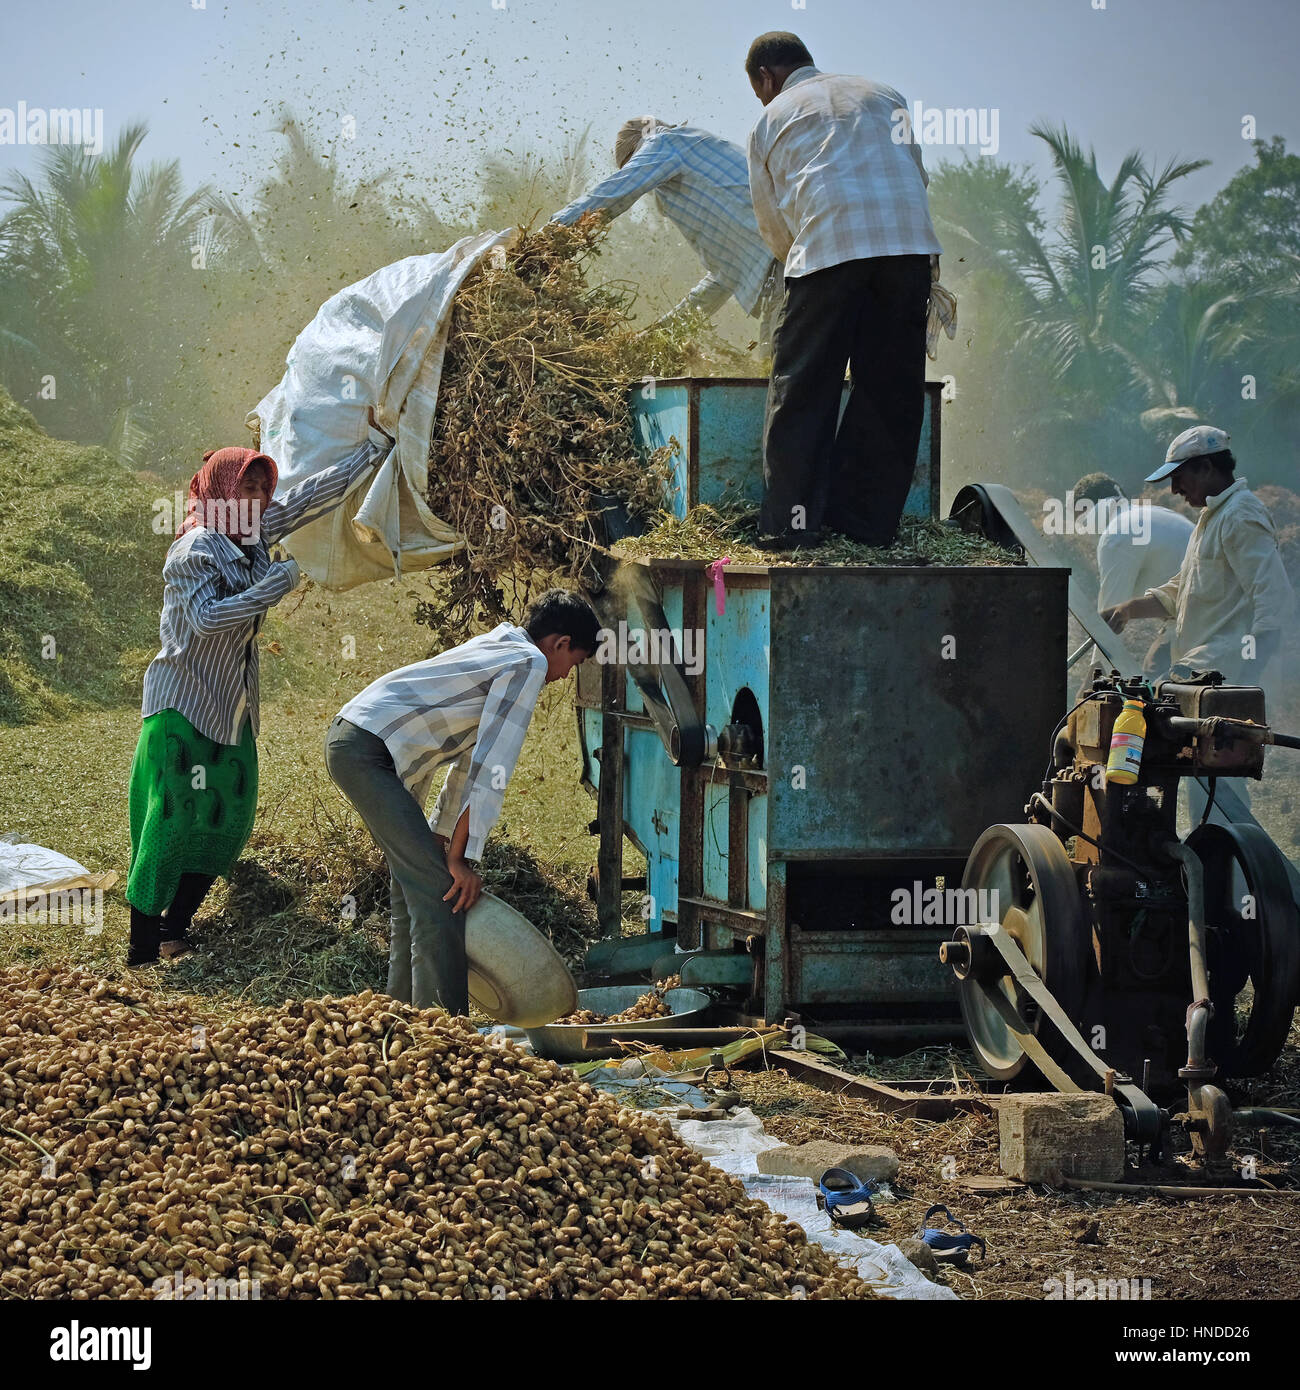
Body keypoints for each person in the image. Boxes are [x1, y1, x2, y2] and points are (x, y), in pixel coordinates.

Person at [127, 432, 387, 966]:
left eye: (263, 488)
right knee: (173, 820)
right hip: (182, 706)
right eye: (248, 487)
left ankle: (177, 928)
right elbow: (205, 620)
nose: (260, 498)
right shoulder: (195, 548)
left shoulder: (252, 529)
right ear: (223, 490)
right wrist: (278, 583)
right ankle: (143, 944)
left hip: (232, 705)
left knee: (229, 816)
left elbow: (314, 495)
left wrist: (376, 449)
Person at [325, 590, 599, 1014]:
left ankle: (400, 1019)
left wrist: (442, 835)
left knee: (413, 887)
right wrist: (461, 860)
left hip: (357, 741)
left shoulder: (504, 646)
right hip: (367, 751)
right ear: (560, 644)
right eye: (575, 663)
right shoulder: (529, 663)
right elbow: (494, 768)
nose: (565, 676)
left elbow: (471, 762)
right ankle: (446, 1033)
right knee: (443, 892)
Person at [744, 31, 942, 547]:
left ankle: (791, 529)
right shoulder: (884, 94)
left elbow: (772, 223)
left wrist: (802, 272)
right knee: (890, 388)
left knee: (803, 387)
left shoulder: (771, 117)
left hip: (828, 247)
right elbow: (916, 174)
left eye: (759, 89)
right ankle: (865, 526)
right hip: (909, 248)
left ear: (767, 78)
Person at [551, 118, 781, 348]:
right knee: (776, 365)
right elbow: (723, 278)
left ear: (639, 149)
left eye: (635, 163)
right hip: (788, 270)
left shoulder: (662, 142)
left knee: (783, 373)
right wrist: (657, 337)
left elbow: (614, 193)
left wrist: (550, 236)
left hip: (785, 274)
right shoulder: (700, 153)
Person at [1103, 426, 1297, 691]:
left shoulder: (1240, 516)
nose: (1173, 489)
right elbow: (1181, 592)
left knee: (1151, 705)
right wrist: (1128, 609)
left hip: (1223, 675)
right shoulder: (1212, 518)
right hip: (1201, 671)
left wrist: (1248, 681)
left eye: (1179, 477)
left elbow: (1273, 601)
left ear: (1206, 467)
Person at [1073, 471, 1193, 677]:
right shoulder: (1156, 514)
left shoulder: (1116, 534)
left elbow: (1109, 623)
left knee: (1156, 677)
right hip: (1208, 615)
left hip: (1194, 622)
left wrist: (1093, 679)